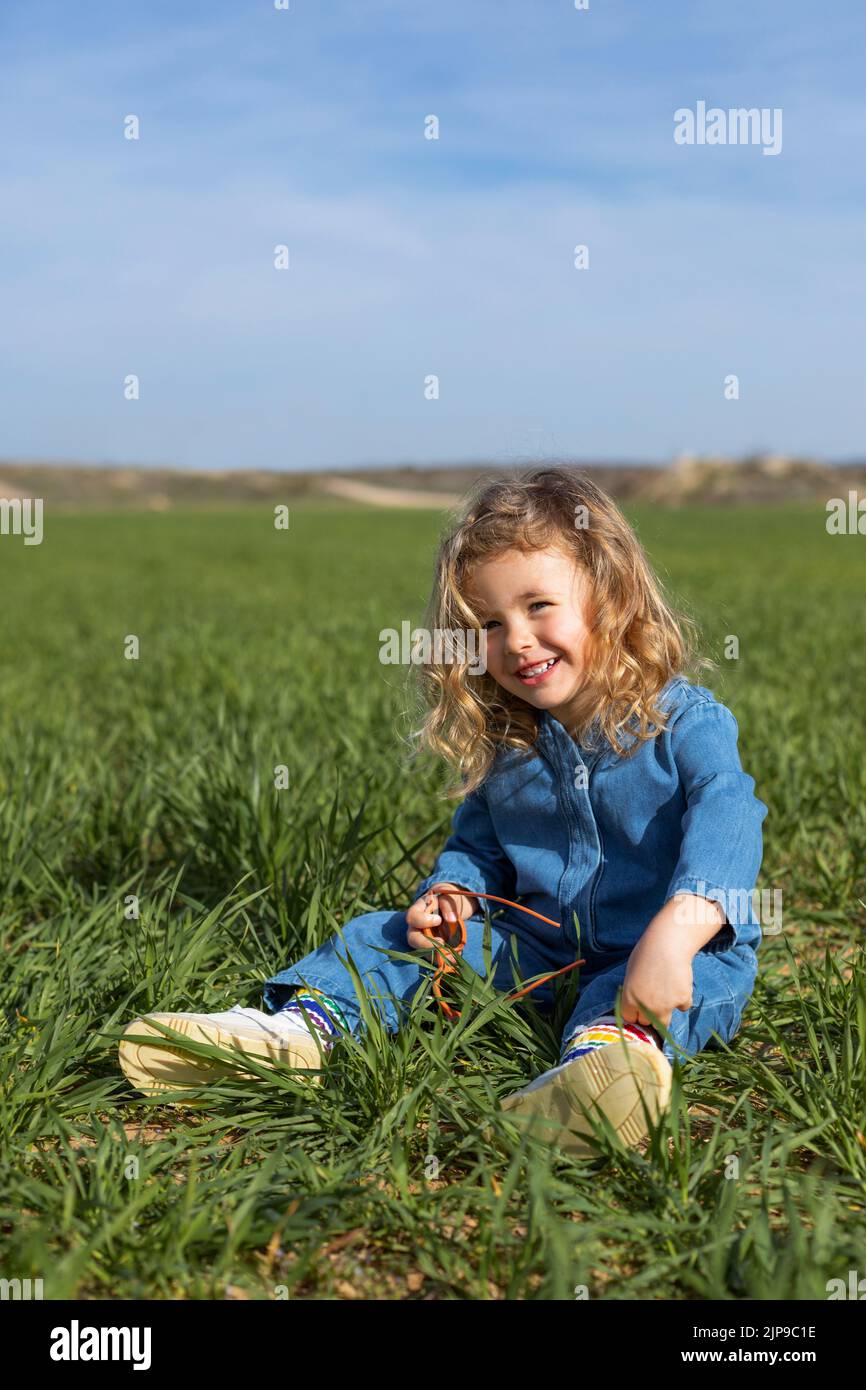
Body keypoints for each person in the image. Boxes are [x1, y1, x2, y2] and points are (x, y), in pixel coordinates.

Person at [118, 465, 768, 1158]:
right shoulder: (512, 745)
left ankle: (604, 1076)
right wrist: (454, 892)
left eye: (539, 606)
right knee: (382, 938)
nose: (517, 640)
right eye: (490, 624)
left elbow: (729, 816)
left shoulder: (683, 723)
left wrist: (676, 934)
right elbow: (479, 847)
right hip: (539, 952)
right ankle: (298, 1033)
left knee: (640, 998)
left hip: (673, 954)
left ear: (610, 597)